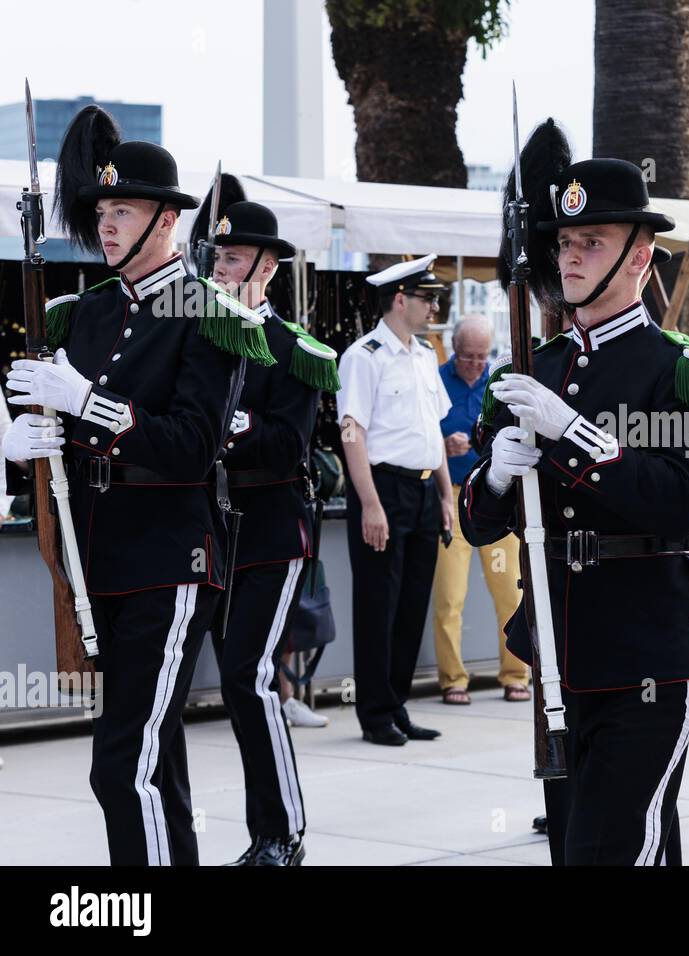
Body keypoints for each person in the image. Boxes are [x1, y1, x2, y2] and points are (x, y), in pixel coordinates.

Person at [459, 152, 689, 865]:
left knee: (611, 850)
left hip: (649, 650)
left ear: (640, 257)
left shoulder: (679, 370)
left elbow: (676, 503)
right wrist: (494, 476)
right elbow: (476, 523)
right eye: (565, 242)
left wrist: (574, 435)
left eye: (593, 241)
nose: (572, 256)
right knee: (584, 848)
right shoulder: (534, 370)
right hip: (560, 650)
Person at [3, 105, 271, 865]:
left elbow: (191, 447)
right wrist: (19, 441)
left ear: (165, 219)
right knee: (155, 756)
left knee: (124, 765)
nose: (107, 222)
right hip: (97, 562)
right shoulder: (80, 316)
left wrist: (85, 402)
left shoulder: (208, 315)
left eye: (123, 209)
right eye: (101, 208)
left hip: (170, 560)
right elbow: (52, 436)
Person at [194, 175, 340, 865]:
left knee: (247, 677)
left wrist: (221, 432)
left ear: (266, 268)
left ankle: (282, 833)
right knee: (216, 683)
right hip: (207, 535)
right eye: (217, 259)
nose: (219, 270)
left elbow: (289, 442)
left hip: (270, 528)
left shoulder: (292, 350)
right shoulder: (197, 341)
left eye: (231, 260)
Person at [337, 255, 454, 746]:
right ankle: (375, 713)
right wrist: (369, 504)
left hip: (425, 488)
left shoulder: (426, 355)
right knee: (378, 605)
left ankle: (398, 704)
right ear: (400, 300)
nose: (434, 306)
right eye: (427, 297)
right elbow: (351, 433)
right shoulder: (363, 356)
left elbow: (436, 429)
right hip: (383, 486)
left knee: (412, 606)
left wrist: (446, 495)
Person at [431, 315, 528, 705]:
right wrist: (442, 445)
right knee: (450, 595)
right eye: (466, 357)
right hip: (451, 495)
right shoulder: (436, 380)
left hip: (494, 498)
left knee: (510, 590)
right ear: (454, 350)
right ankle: (453, 679)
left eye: (480, 357)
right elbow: (421, 431)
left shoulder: (498, 382)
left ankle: (516, 674)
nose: (474, 364)